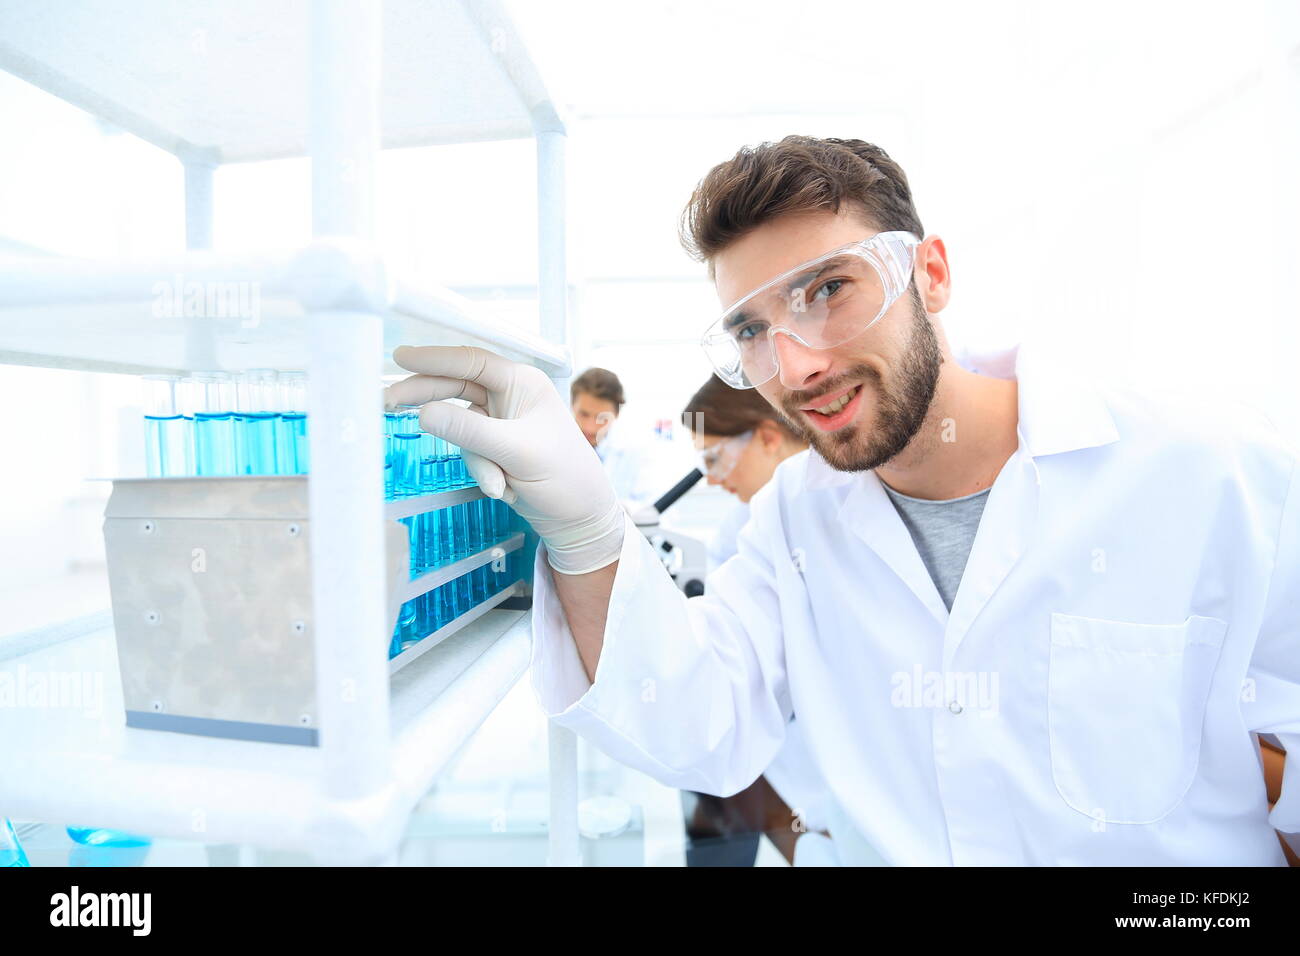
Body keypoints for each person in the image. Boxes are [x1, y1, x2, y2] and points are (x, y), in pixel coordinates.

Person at [386, 136, 1299, 865]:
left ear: (930, 274)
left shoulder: (1205, 468)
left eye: (827, 291)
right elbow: (702, 723)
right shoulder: (793, 520)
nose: (796, 367)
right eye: (751, 329)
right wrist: (584, 526)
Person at [679, 376, 827, 864]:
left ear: (767, 436)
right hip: (790, 775)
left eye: (714, 460)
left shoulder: (843, 501)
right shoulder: (736, 529)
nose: (714, 479)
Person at [569, 367, 660, 510]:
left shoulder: (636, 451)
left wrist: (618, 511)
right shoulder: (556, 446)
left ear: (616, 415)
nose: (590, 427)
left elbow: (654, 508)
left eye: (602, 418)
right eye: (584, 414)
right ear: (572, 407)